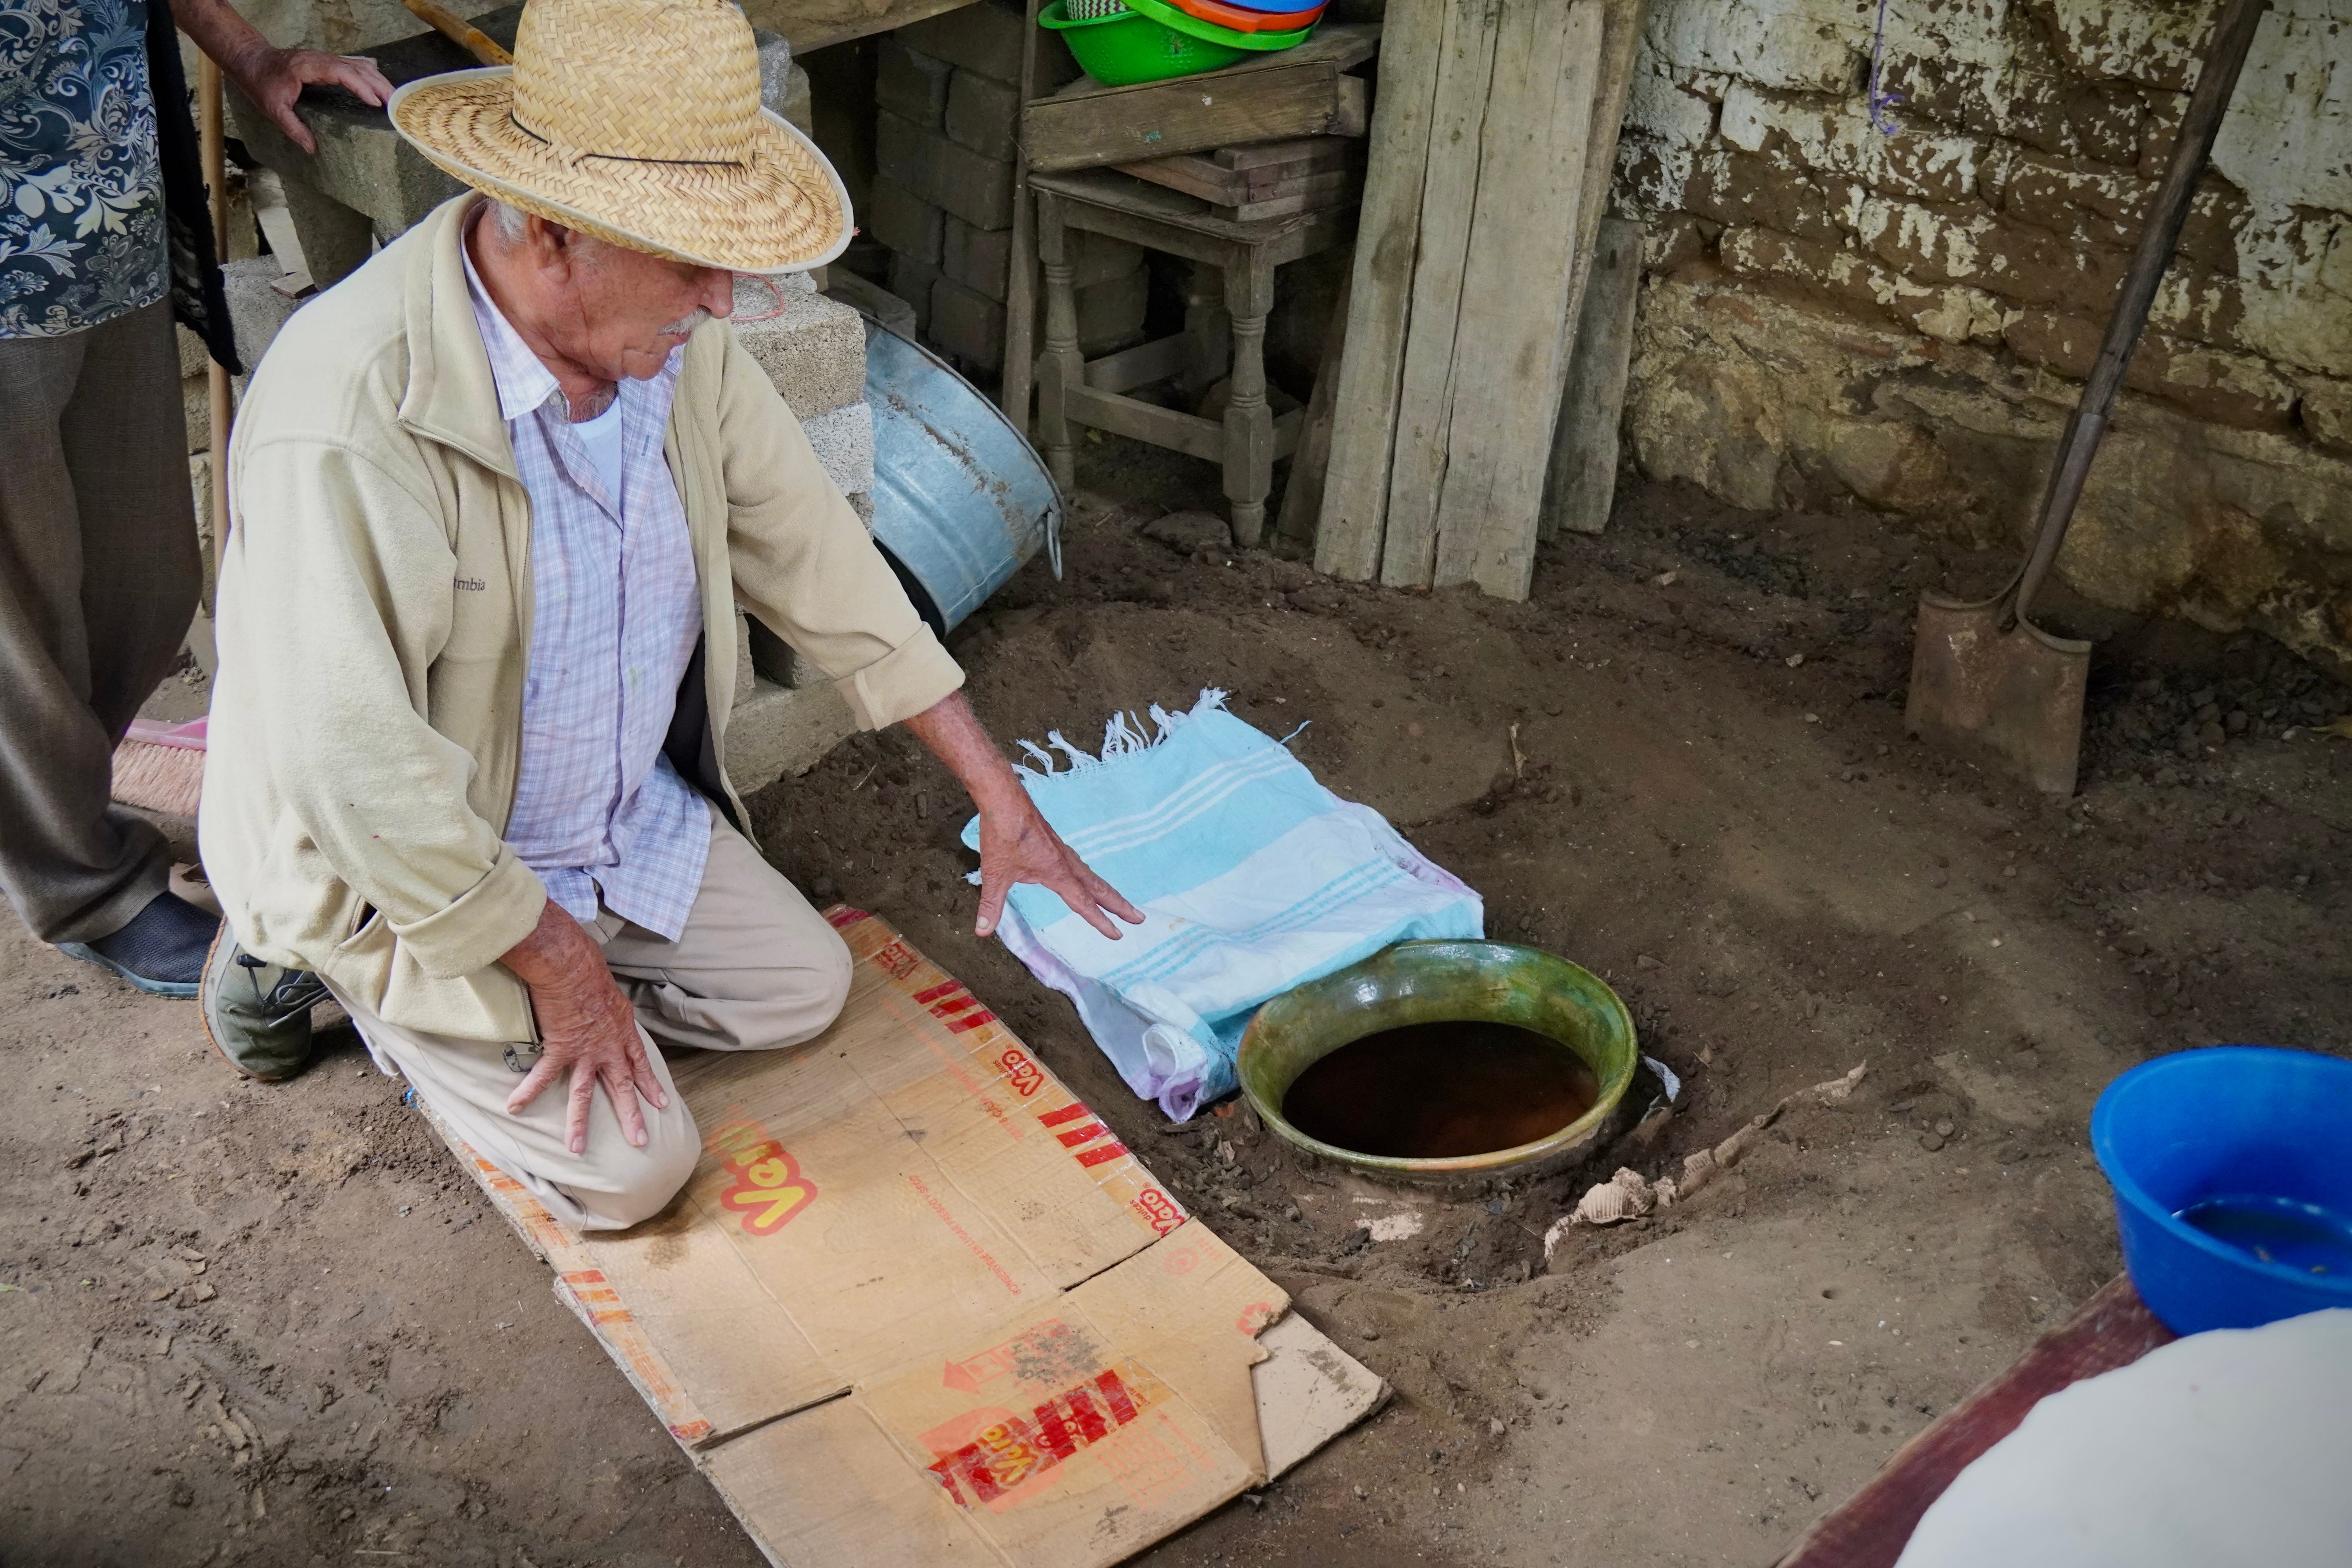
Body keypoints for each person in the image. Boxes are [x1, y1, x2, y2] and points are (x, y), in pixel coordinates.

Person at [196, 0, 1143, 1230]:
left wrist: (996, 791)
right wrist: (553, 961)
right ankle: (307, 954)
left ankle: (521, 1001)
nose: (725, 302)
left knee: (800, 989)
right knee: (635, 1174)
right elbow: (356, 765)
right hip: (412, 857)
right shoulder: (350, 412)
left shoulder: (670, 347)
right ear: (551, 233)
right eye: (692, 262)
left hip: (601, 820)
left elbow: (817, 554)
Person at [0, 0, 389, 996]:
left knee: (149, 581)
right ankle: (82, 885)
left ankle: (53, 796)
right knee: (21, 619)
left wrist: (251, 54)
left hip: (105, 225)